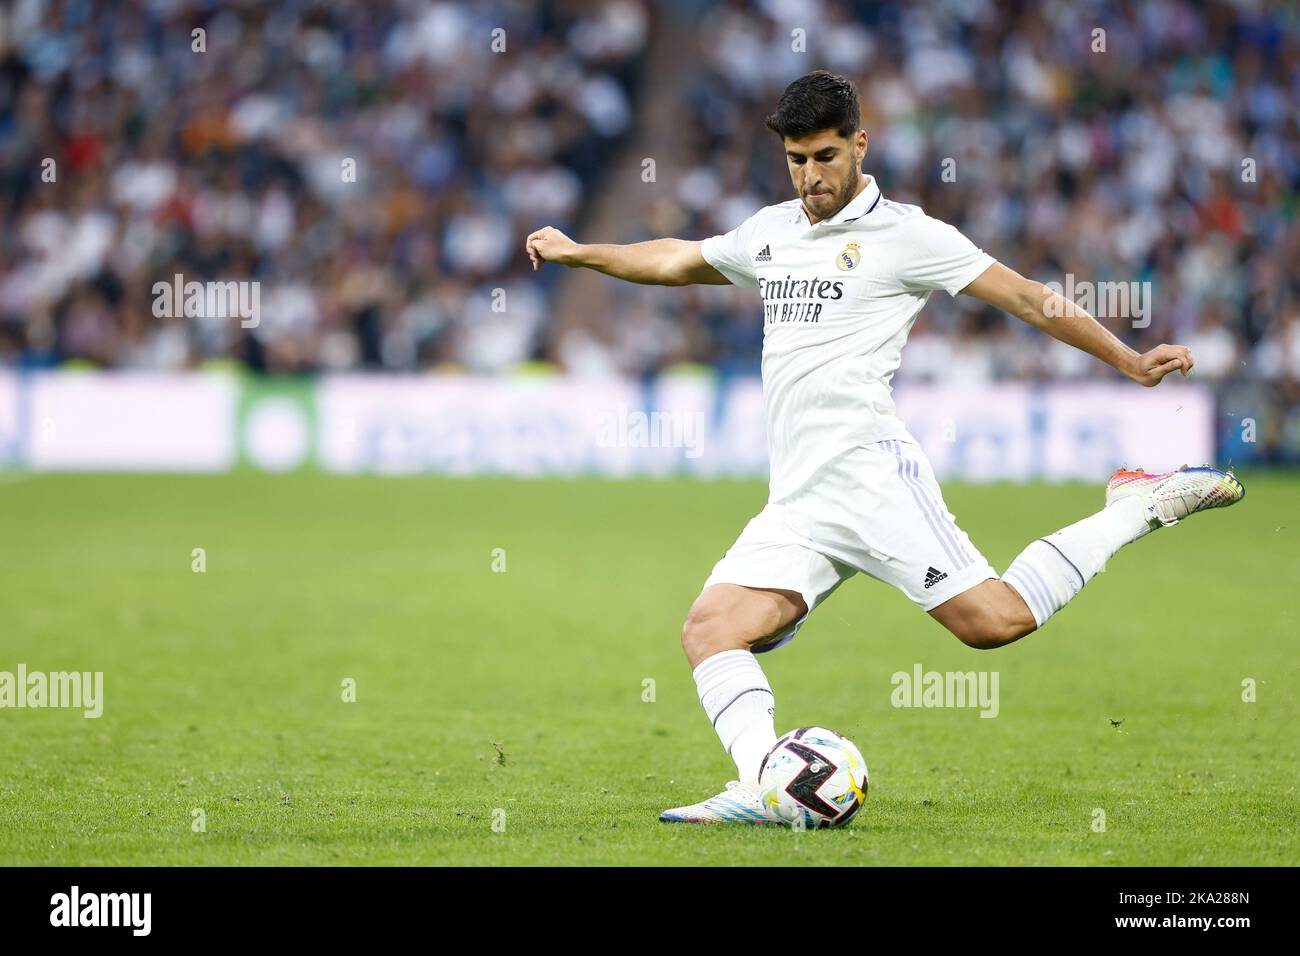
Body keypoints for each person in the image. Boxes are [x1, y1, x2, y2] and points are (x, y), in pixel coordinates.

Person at [525, 70, 1244, 825]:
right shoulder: (771, 231)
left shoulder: (909, 236)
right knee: (711, 629)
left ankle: (1136, 505)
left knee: (993, 624)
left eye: (827, 156)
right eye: (797, 160)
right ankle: (766, 785)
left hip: (871, 476)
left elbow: (1031, 297)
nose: (811, 177)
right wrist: (581, 253)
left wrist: (1128, 361)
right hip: (799, 497)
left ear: (861, 144)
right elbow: (676, 260)